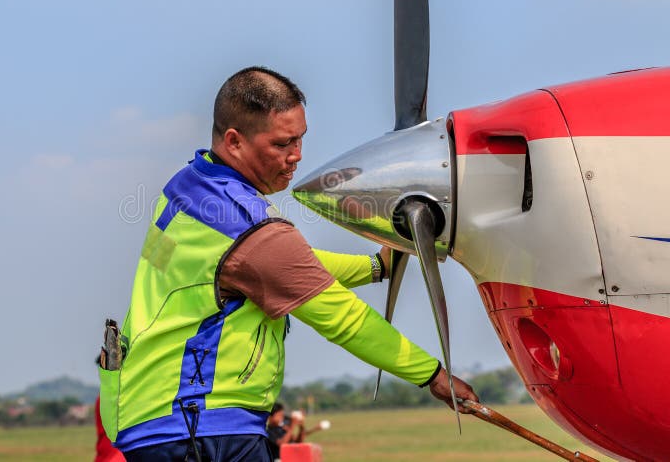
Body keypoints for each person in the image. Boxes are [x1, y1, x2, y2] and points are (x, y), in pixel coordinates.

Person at [98, 66, 478, 462]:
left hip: (154, 420)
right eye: (282, 144)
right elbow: (343, 318)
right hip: (200, 426)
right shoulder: (244, 223)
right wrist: (433, 375)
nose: (297, 155)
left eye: (300, 139)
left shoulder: (187, 188)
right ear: (234, 141)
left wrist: (375, 268)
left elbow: (291, 267)